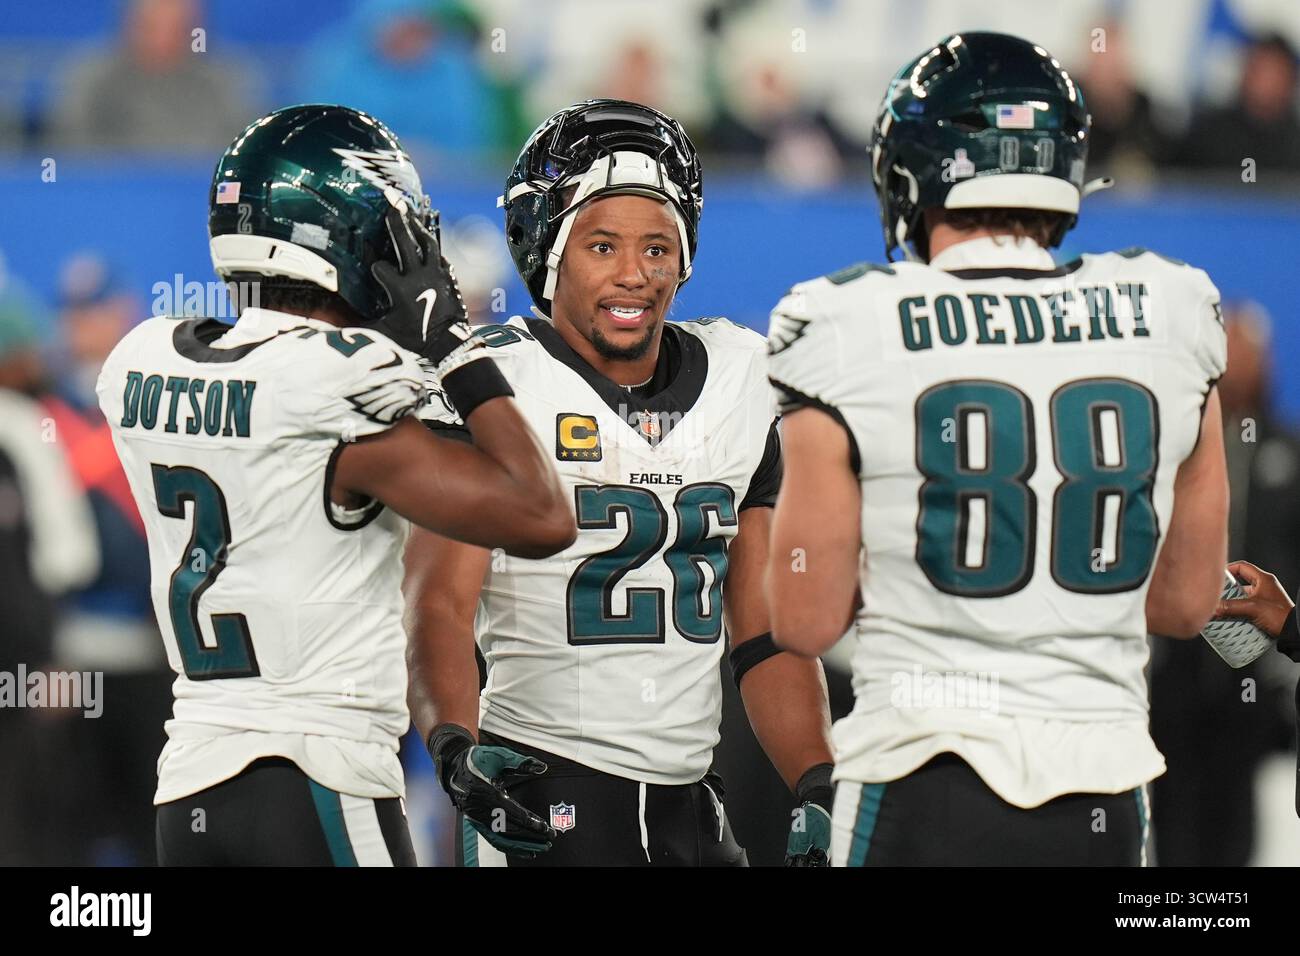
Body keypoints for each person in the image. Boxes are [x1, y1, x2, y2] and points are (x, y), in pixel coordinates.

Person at [765, 32, 1229, 867]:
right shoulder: (1175, 308)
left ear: (911, 172)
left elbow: (804, 615)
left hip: (918, 778)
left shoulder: (842, 321)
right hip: (1105, 791)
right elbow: (1186, 603)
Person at [96, 104, 575, 867]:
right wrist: (453, 342)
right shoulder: (334, 382)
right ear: (363, 235)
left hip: (191, 785)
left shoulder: (143, 358)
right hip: (321, 777)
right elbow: (542, 511)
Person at [406, 99, 834, 867]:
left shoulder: (744, 377)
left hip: (692, 807)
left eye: (657, 248)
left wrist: (818, 779)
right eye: (602, 246)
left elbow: (765, 633)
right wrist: (452, 746)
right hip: (538, 795)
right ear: (550, 253)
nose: (635, 273)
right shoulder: (494, 382)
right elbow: (438, 600)